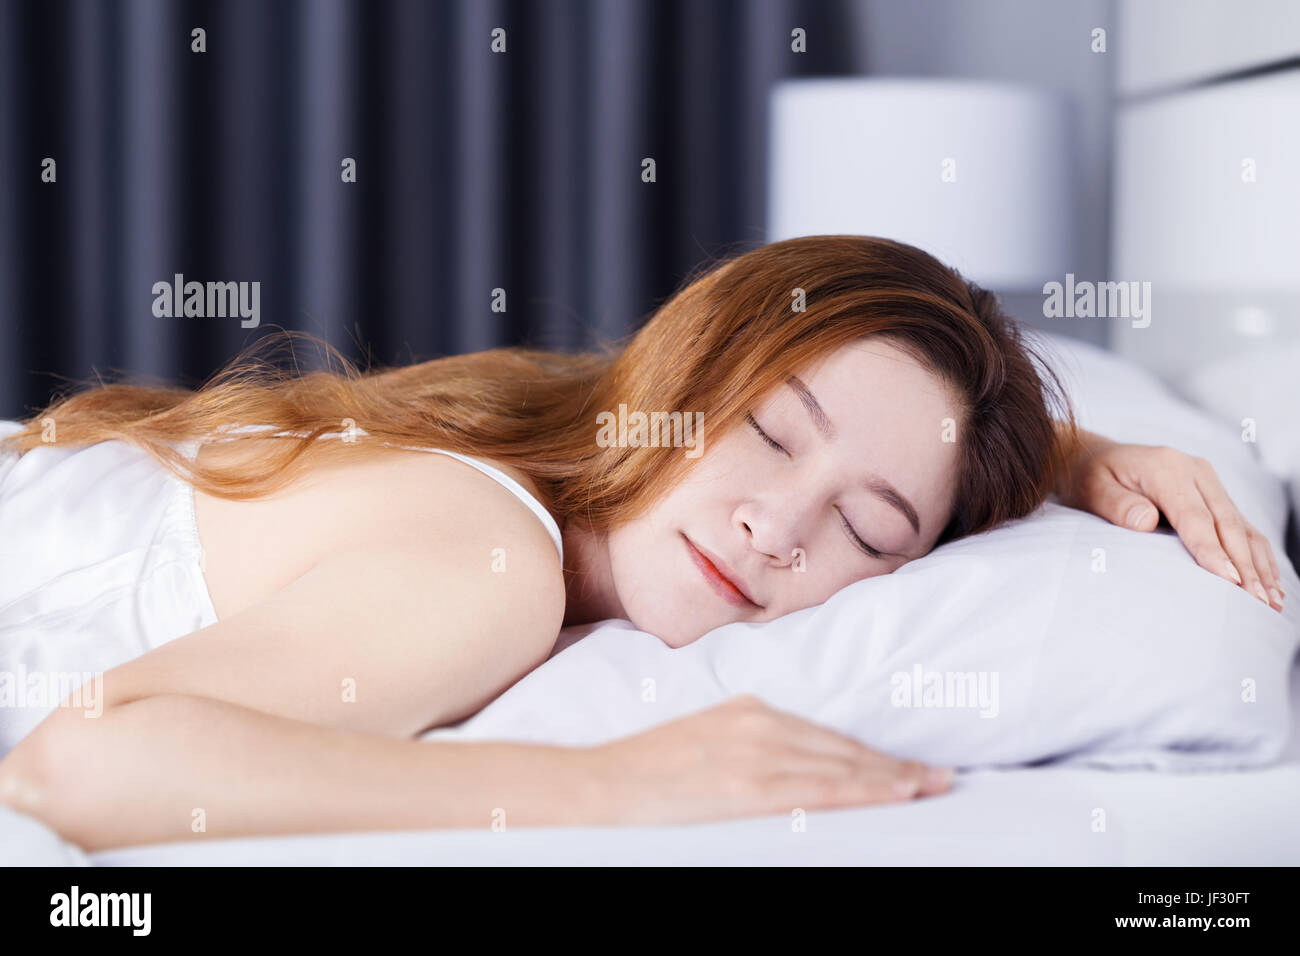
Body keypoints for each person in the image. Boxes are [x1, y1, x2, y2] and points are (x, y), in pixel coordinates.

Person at [0, 235, 1283, 851]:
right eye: (773, 437)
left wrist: (1063, 451)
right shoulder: (488, 560)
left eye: (867, 524)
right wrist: (622, 781)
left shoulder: (532, 448)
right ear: (682, 372)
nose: (776, 527)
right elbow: (80, 760)